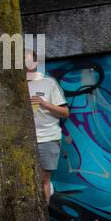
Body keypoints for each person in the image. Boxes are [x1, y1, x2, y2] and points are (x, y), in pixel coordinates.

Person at [25, 49, 69, 202]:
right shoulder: (16, 86)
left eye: (29, 61)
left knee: (43, 180)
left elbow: (65, 113)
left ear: (36, 63)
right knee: (24, 182)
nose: (26, 65)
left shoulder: (48, 83)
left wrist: (44, 104)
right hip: (23, 141)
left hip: (47, 138)